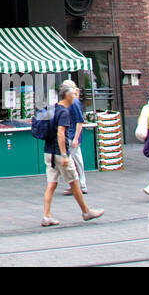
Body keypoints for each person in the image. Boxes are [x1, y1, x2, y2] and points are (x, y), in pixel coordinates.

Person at [41, 82, 104, 226]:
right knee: (74, 182)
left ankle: (46, 216)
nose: (76, 97)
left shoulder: (53, 109)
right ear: (68, 95)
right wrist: (64, 155)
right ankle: (86, 212)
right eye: (74, 94)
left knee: (51, 184)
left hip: (48, 152)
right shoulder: (64, 111)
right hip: (59, 152)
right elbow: (61, 133)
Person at [62, 80, 88, 194]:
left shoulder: (74, 102)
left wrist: (76, 138)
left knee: (69, 161)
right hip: (72, 135)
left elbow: (79, 121)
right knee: (77, 160)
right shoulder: (72, 101)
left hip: (71, 135)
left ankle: (75, 185)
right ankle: (81, 185)